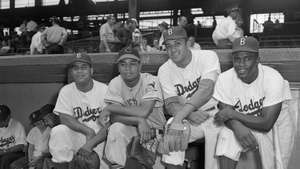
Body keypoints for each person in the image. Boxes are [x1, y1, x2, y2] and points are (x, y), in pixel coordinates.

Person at [213, 36, 287, 169]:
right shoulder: (224, 79)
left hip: (276, 125)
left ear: (258, 60)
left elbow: (267, 123)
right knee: (226, 135)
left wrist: (232, 114)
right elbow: (225, 113)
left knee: (276, 163)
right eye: (237, 59)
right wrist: (237, 127)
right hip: (245, 123)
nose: (241, 64)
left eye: (247, 58)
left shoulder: (273, 78)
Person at [157, 26, 221, 169]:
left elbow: (206, 90)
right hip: (189, 117)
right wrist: (189, 114)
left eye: (177, 44)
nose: (173, 50)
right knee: (171, 128)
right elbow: (171, 104)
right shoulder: (164, 70)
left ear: (187, 44)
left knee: (214, 157)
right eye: (168, 46)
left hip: (215, 113)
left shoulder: (207, 56)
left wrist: (181, 116)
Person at [103, 47, 166, 168]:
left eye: (132, 64)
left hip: (155, 132)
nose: (127, 68)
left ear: (140, 65)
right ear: (118, 67)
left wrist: (110, 109)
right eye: (123, 64)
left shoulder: (151, 80)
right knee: (116, 128)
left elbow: (143, 112)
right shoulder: (115, 82)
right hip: (131, 129)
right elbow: (114, 118)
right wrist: (138, 120)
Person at [49, 53, 109, 169]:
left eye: (83, 67)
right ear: (71, 72)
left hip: (100, 138)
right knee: (59, 131)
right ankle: (62, 165)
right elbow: (64, 117)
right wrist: (87, 131)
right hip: (78, 136)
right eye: (75, 68)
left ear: (91, 71)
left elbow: (110, 124)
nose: (79, 71)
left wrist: (91, 143)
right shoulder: (66, 90)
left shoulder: (104, 89)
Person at [26, 104, 55, 169]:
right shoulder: (33, 131)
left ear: (44, 120)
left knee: (40, 164)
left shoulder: (51, 130)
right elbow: (31, 148)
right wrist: (30, 159)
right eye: (35, 124)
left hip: (46, 156)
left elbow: (52, 151)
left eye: (39, 122)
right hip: (34, 156)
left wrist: (40, 157)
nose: (38, 125)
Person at [0, 105, 27, 169]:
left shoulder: (17, 125)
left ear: (8, 117)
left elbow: (21, 146)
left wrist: (4, 151)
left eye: (1, 121)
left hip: (15, 153)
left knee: (5, 159)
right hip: (2, 152)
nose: (0, 123)